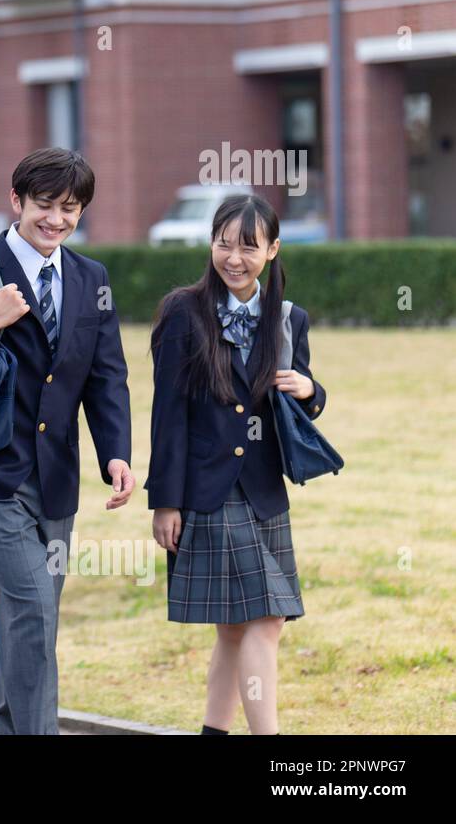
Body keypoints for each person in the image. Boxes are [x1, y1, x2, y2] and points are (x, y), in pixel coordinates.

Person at [0, 147, 134, 735]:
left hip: (57, 477)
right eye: (44, 205)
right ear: (16, 202)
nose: (56, 220)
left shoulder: (91, 278)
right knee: (35, 612)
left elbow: (106, 373)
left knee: (29, 616)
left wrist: (116, 452)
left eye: (70, 209)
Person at [146, 194, 323, 736]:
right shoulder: (183, 310)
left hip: (265, 492)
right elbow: (168, 412)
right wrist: (165, 501)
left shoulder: (289, 319)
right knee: (266, 621)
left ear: (272, 249)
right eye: (224, 242)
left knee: (234, 629)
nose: (234, 257)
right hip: (208, 489)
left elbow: (302, 402)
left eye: (249, 245)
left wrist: (311, 390)